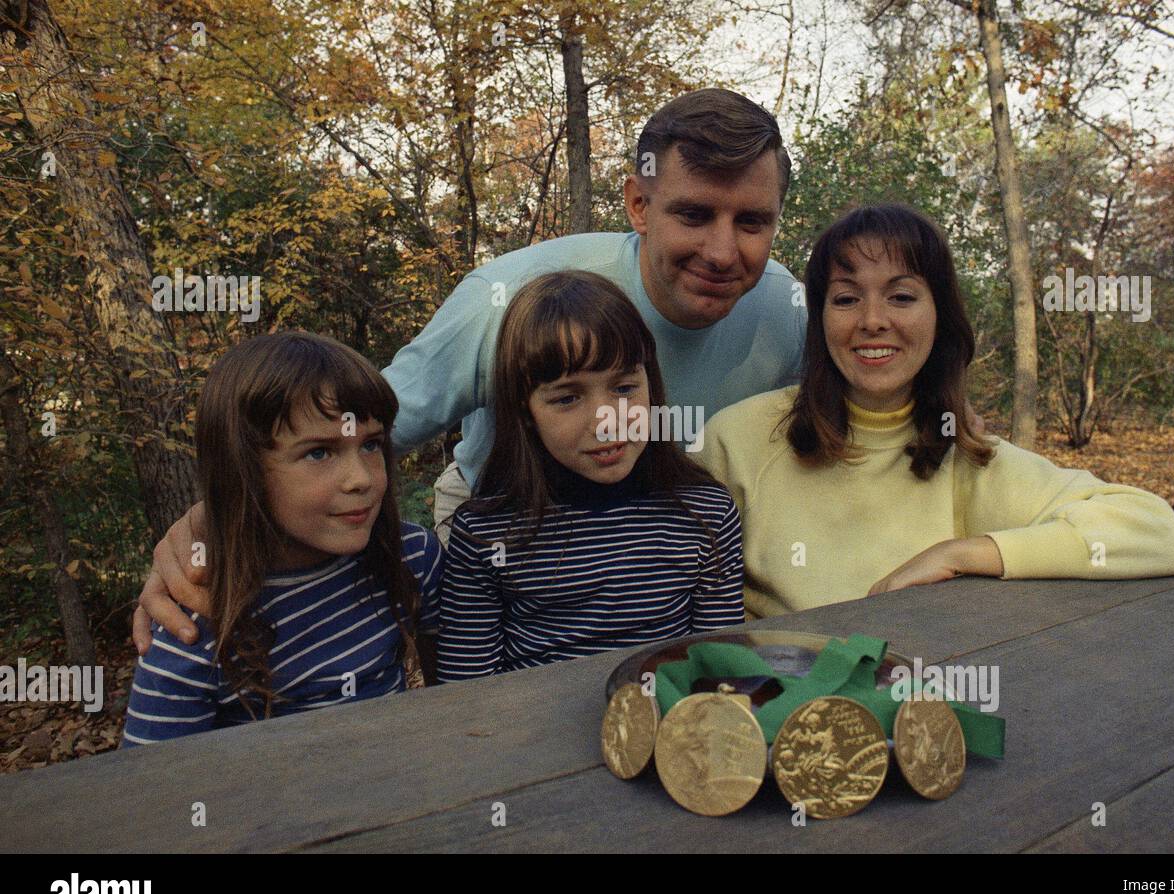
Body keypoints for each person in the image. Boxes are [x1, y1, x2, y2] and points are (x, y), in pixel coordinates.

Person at [131, 87, 805, 653]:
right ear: (638, 205)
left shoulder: (788, 309)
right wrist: (207, 525)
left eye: (751, 221)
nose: (723, 250)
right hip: (512, 532)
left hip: (671, 542)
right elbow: (365, 426)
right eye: (693, 213)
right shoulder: (515, 298)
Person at [698, 203, 1174, 620]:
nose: (873, 321)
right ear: (821, 318)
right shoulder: (738, 440)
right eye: (847, 298)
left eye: (901, 296)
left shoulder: (967, 457)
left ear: (941, 315)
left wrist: (963, 554)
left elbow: (1160, 534)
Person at [121, 333, 443, 745]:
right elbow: (151, 790)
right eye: (319, 453)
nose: (361, 479)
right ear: (244, 469)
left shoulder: (411, 558)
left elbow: (455, 699)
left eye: (371, 445)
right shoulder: (196, 622)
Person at [437, 271, 744, 680]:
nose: (608, 422)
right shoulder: (484, 535)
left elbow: (719, 668)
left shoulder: (706, 515)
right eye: (567, 398)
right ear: (526, 413)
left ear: (650, 385)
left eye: (623, 389)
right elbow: (467, 695)